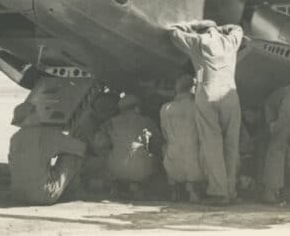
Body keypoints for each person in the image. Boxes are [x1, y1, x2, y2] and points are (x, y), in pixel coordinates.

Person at [169, 20, 245, 204]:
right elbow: (238, 28)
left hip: (207, 94)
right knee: (231, 145)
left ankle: (219, 193)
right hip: (230, 95)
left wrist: (191, 26)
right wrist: (221, 28)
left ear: (201, 31)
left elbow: (174, 32)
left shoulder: (198, 41)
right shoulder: (230, 41)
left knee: (212, 145)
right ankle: (231, 191)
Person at [7, 101, 87, 205]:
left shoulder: (15, 138)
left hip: (18, 195)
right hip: (43, 196)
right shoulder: (45, 134)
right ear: (33, 115)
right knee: (72, 155)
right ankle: (73, 192)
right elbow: (81, 148)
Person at [95, 94, 161, 199]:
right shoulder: (147, 121)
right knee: (156, 157)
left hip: (116, 169)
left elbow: (99, 143)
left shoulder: (110, 122)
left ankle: (116, 185)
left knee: (109, 159)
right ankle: (141, 187)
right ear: (137, 107)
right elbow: (158, 143)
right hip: (142, 170)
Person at [160, 74, 204, 202]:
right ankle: (193, 190)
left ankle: (173, 186)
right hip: (198, 166)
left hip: (173, 165)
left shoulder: (165, 108)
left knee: (165, 147)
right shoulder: (199, 106)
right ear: (193, 88)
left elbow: (165, 135)